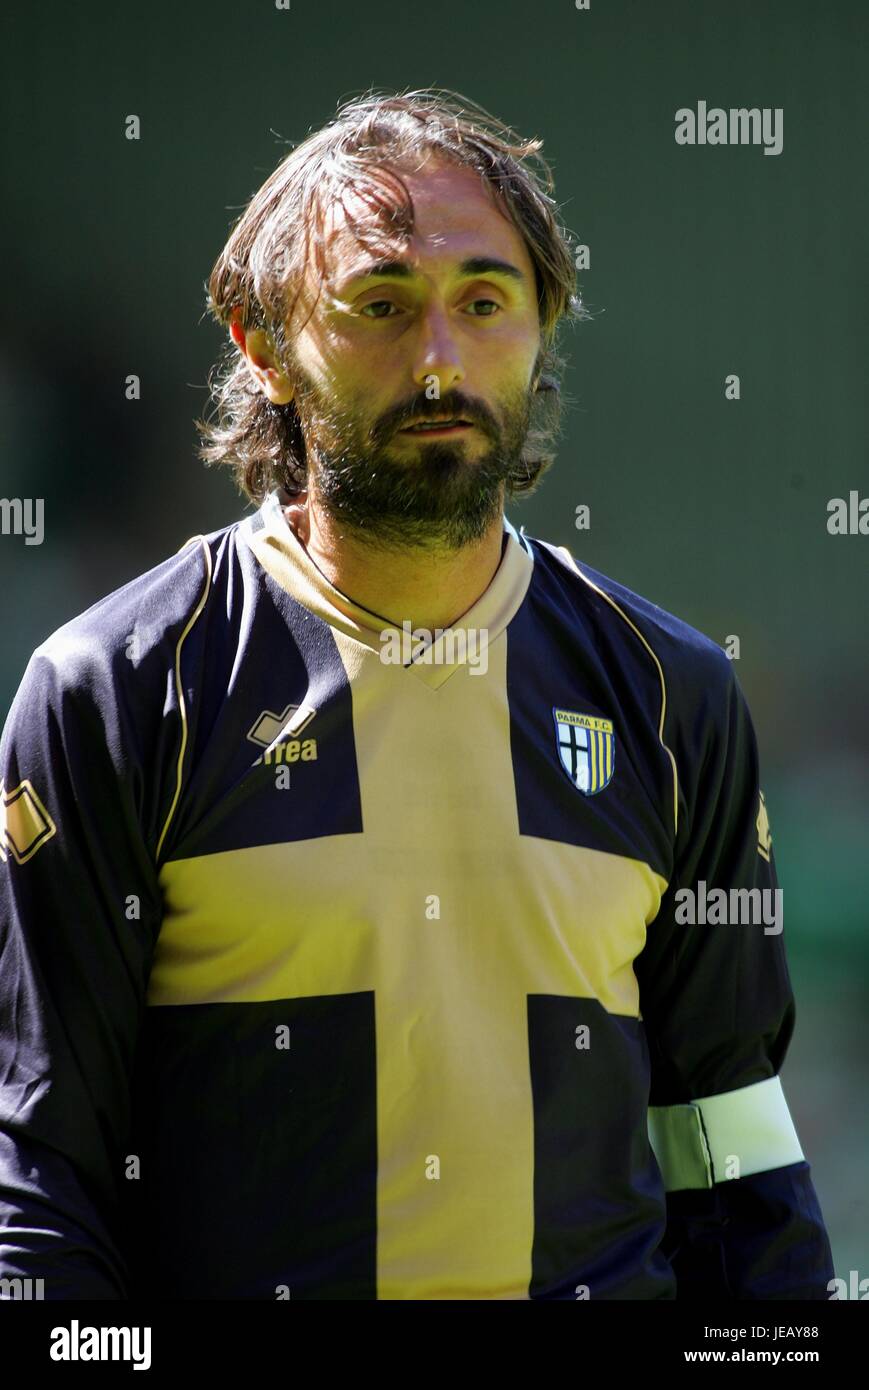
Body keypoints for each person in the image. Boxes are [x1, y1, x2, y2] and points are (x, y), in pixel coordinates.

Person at [0, 88, 834, 1300]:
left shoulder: (672, 695)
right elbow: (41, 1174)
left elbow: (729, 1142)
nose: (438, 359)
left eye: (485, 303)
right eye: (379, 306)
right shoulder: (114, 689)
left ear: (545, 324)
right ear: (262, 342)